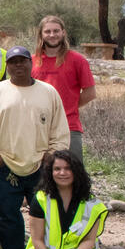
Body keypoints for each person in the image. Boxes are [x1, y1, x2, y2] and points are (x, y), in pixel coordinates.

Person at [0, 45, 71, 249]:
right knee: (8, 215)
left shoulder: (48, 92)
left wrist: (51, 157)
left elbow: (59, 130)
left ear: (31, 63)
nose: (18, 66)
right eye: (13, 62)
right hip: (6, 164)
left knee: (47, 214)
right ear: (7, 66)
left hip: (41, 164)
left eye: (23, 61)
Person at [25, 151, 107, 249]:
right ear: (50, 172)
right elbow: (37, 240)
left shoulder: (92, 204)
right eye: (57, 169)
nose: (62, 173)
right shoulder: (41, 199)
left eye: (68, 168)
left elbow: (90, 240)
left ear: (76, 171)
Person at [32, 16, 97, 160]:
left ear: (63, 33)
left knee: (72, 174)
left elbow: (90, 93)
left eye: (56, 31)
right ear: (41, 34)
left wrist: (68, 106)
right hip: (38, 128)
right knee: (40, 177)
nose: (52, 35)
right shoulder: (31, 61)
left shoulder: (78, 60)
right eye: (47, 31)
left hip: (68, 127)